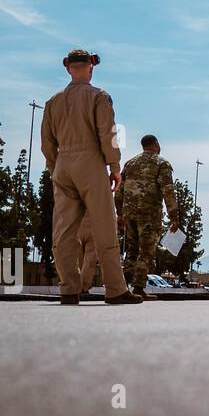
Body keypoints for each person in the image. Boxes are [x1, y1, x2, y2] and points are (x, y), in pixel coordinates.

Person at [41, 49, 141, 305]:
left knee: (63, 231)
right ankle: (116, 289)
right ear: (90, 68)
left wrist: (56, 167)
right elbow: (107, 134)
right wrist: (114, 166)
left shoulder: (52, 102)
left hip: (63, 164)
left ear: (68, 68)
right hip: (90, 162)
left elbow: (46, 143)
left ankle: (68, 289)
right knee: (104, 226)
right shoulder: (99, 97)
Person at [116, 134, 180, 299]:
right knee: (146, 251)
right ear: (156, 144)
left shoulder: (130, 163)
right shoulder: (161, 163)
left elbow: (119, 190)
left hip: (129, 213)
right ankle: (138, 288)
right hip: (149, 214)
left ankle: (122, 287)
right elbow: (168, 190)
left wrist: (119, 213)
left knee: (131, 250)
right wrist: (174, 216)